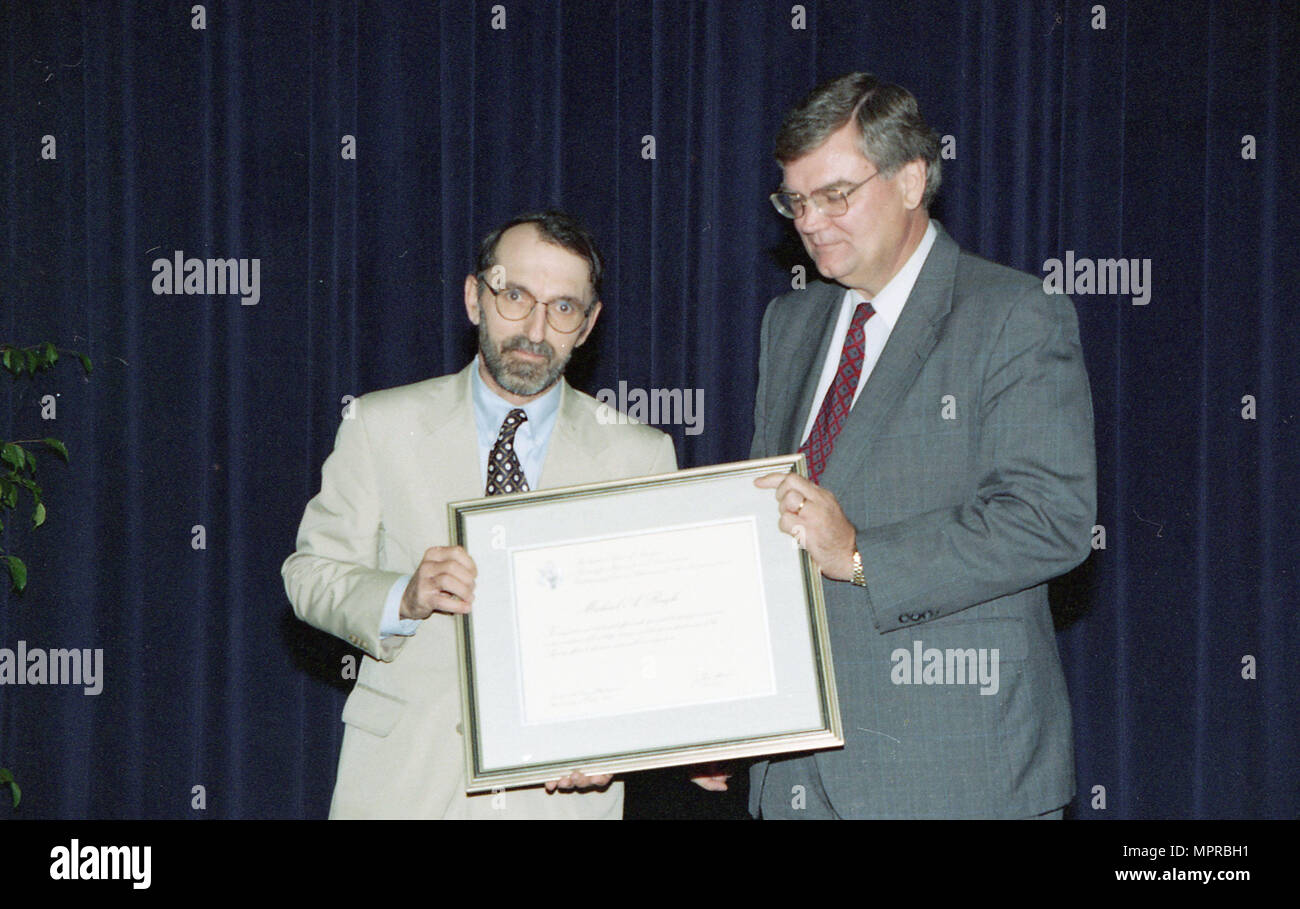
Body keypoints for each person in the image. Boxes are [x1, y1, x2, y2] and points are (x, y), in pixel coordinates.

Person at [701, 72, 1096, 818]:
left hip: (954, 775)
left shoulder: (1013, 314)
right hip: (794, 777)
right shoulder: (788, 326)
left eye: (836, 194)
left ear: (912, 178)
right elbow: (769, 533)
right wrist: (730, 710)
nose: (811, 222)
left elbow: (1050, 520)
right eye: (796, 200)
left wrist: (859, 555)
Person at [283, 211, 677, 818]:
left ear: (590, 323)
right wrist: (403, 598)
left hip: (560, 800)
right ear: (475, 297)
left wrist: (624, 743)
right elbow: (309, 575)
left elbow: (664, 635)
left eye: (564, 307)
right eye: (515, 296)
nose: (536, 329)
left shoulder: (639, 455)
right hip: (401, 788)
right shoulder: (380, 425)